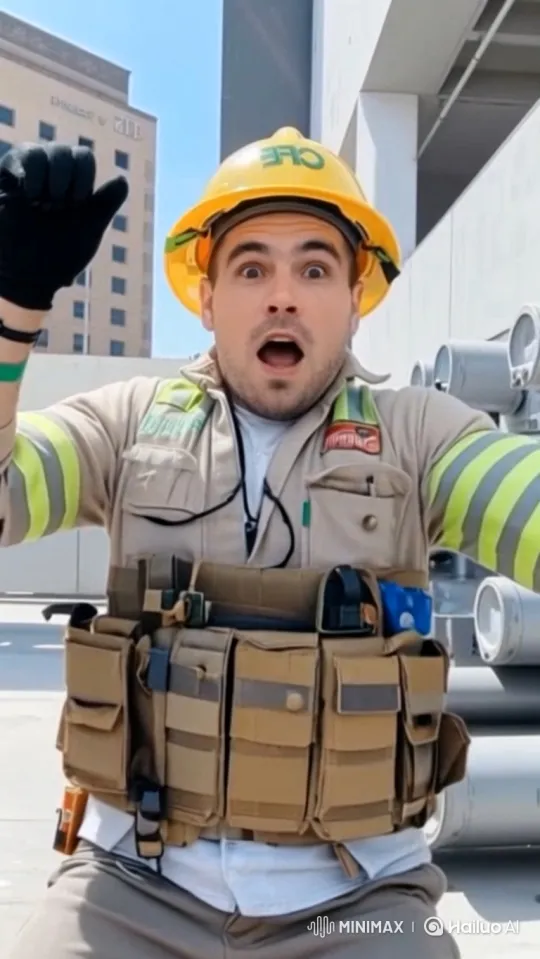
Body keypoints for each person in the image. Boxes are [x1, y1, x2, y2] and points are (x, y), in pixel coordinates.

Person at [1, 127, 539, 959]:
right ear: (207, 298)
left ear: (356, 298)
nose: (282, 296)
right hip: (134, 885)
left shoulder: (419, 434)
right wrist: (10, 317)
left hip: (359, 898)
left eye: (314, 269)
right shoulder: (127, 422)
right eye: (251, 269)